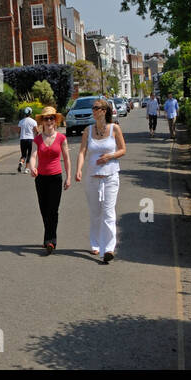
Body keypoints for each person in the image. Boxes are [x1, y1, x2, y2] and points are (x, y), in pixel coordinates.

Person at [75, 96, 125, 263]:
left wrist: (110, 156)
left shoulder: (114, 129)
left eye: (96, 108)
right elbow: (82, 152)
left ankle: (109, 248)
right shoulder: (88, 131)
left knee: (109, 213)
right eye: (93, 108)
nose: (93, 111)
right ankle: (95, 243)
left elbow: (123, 150)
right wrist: (79, 170)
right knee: (96, 213)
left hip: (110, 177)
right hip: (92, 178)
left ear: (104, 111)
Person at [30, 106, 71, 254]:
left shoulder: (61, 138)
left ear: (55, 121)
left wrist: (69, 177)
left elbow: (66, 158)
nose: (49, 121)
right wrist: (33, 168)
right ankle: (48, 237)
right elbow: (33, 156)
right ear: (42, 122)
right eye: (46, 119)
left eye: (51, 118)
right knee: (44, 209)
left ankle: (50, 240)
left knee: (53, 210)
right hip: (41, 178)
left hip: (55, 177)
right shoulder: (37, 139)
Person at [18, 107, 37, 173]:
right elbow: (36, 131)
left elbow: (19, 131)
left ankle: (21, 162)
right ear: (31, 113)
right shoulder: (33, 121)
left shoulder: (21, 121)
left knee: (23, 155)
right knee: (29, 154)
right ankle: (26, 169)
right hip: (30, 139)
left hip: (22, 139)